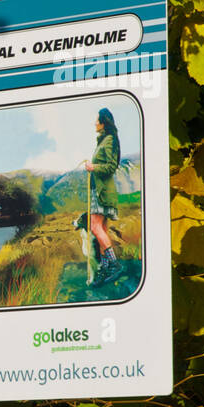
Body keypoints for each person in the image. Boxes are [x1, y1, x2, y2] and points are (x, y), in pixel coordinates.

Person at [84, 108, 122, 286]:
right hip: (100, 190)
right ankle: (106, 268)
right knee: (102, 230)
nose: (94, 123)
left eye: (97, 120)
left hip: (102, 192)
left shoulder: (109, 140)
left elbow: (111, 166)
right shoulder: (104, 141)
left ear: (104, 122)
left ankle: (113, 263)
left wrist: (93, 168)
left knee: (94, 227)